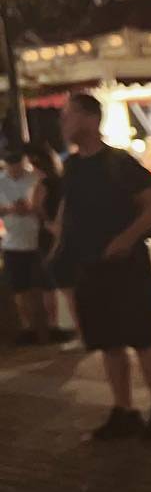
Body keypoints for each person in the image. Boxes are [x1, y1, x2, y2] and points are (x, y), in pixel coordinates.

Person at [52, 94, 151, 441]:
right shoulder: (73, 166)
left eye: (68, 115)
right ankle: (123, 410)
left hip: (127, 267)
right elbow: (69, 214)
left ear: (90, 118)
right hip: (91, 268)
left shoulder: (119, 162)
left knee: (144, 339)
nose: (62, 122)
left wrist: (126, 238)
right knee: (108, 343)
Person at [24, 138, 77, 343]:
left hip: (49, 236)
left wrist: (46, 221)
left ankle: (60, 326)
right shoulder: (62, 181)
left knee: (55, 285)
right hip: (63, 235)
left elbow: (37, 209)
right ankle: (72, 326)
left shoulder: (43, 184)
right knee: (66, 286)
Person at [0, 147, 49, 345]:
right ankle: (28, 329)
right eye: (12, 167)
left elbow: (44, 205)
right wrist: (11, 209)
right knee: (19, 290)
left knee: (39, 289)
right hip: (12, 243)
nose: (15, 170)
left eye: (18, 165)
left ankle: (43, 330)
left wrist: (32, 209)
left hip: (36, 240)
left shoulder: (34, 178)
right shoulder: (1, 182)